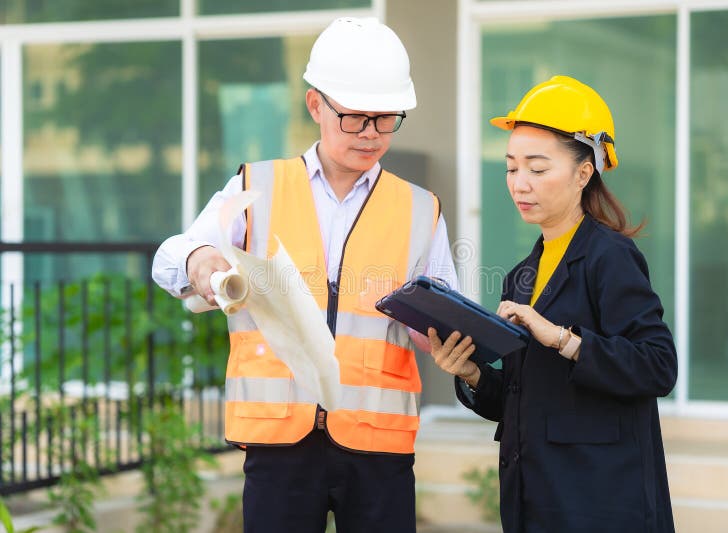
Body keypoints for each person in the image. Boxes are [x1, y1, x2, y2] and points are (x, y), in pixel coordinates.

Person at [152, 17, 458, 533]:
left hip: (377, 447)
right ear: (316, 105)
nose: (371, 134)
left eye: (386, 120)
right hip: (280, 446)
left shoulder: (419, 208)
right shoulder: (257, 185)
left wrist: (441, 336)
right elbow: (170, 258)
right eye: (356, 118)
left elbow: (441, 316)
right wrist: (200, 261)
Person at [427, 75, 677, 532]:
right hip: (536, 499)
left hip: (600, 504)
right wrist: (472, 372)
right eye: (510, 167)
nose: (520, 183)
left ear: (584, 173)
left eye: (537, 169)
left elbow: (659, 366)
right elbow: (521, 400)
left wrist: (563, 339)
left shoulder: (611, 257)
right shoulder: (521, 276)